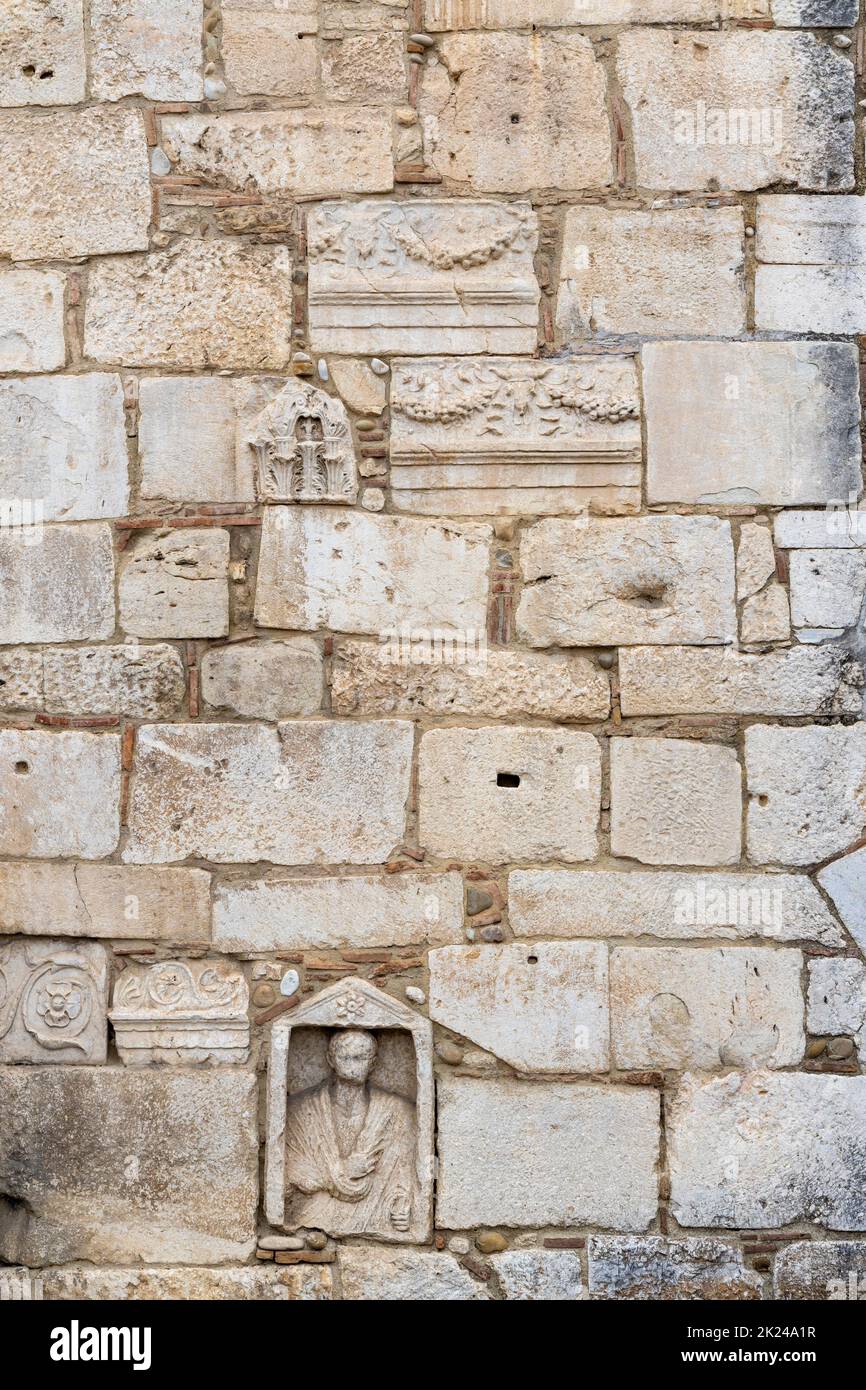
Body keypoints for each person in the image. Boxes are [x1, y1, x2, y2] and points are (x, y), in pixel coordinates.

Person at [284, 1027, 418, 1238]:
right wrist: (341, 1171)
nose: (352, 1066)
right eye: (345, 1057)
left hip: (376, 1212)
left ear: (373, 1062)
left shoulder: (396, 1111)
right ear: (330, 1059)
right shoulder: (300, 1109)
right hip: (317, 1214)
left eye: (360, 1058)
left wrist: (403, 1204)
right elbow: (291, 1171)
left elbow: (404, 1171)